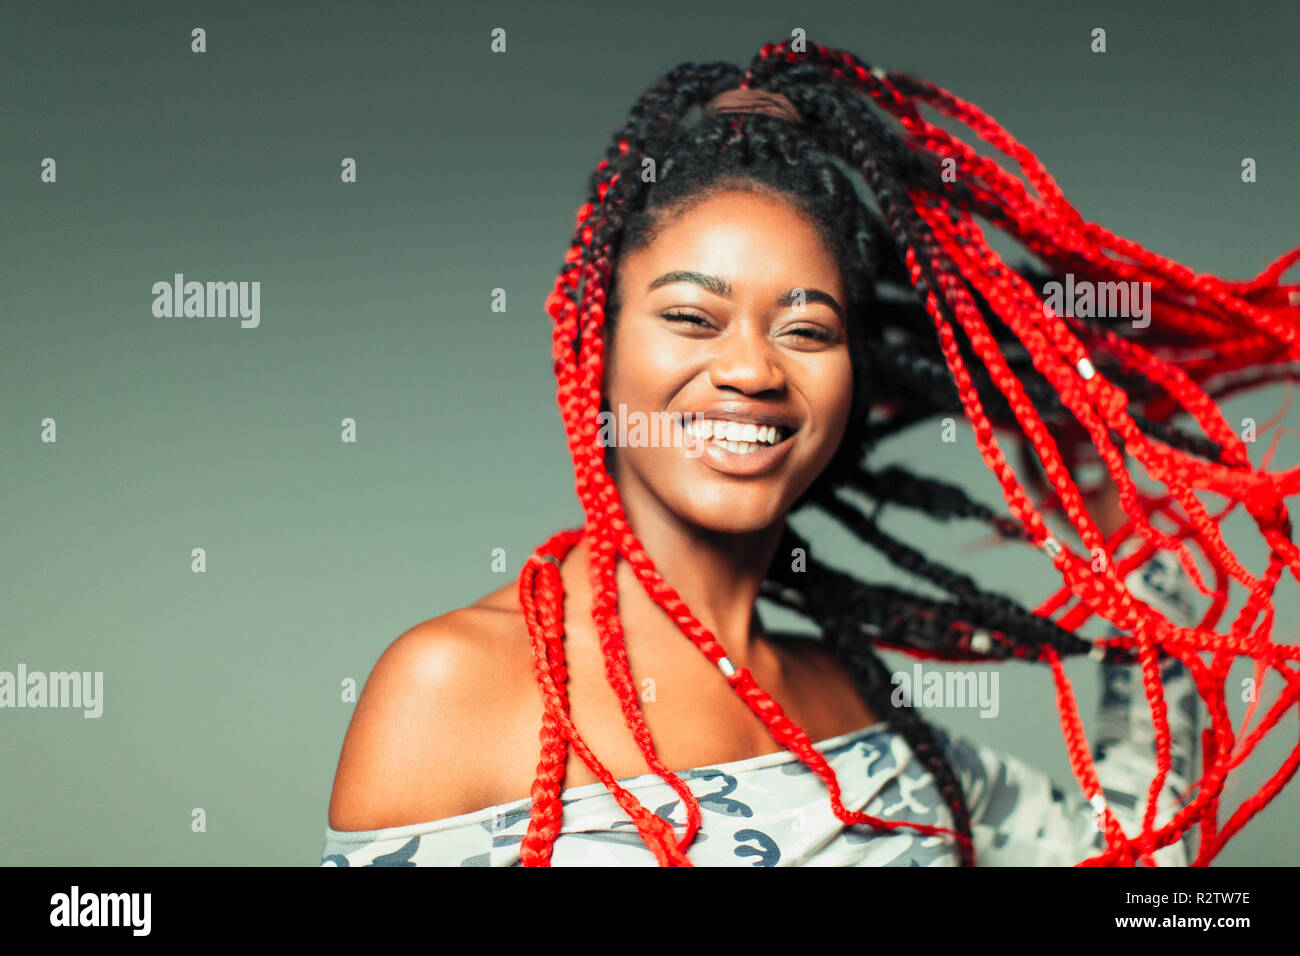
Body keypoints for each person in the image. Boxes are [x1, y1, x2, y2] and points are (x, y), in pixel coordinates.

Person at [322, 41, 1300, 867]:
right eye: (691, 316)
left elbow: (1128, 863)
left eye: (807, 328)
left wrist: (1138, 548)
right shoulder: (452, 689)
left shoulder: (853, 701)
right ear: (596, 341)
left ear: (852, 379)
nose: (750, 368)